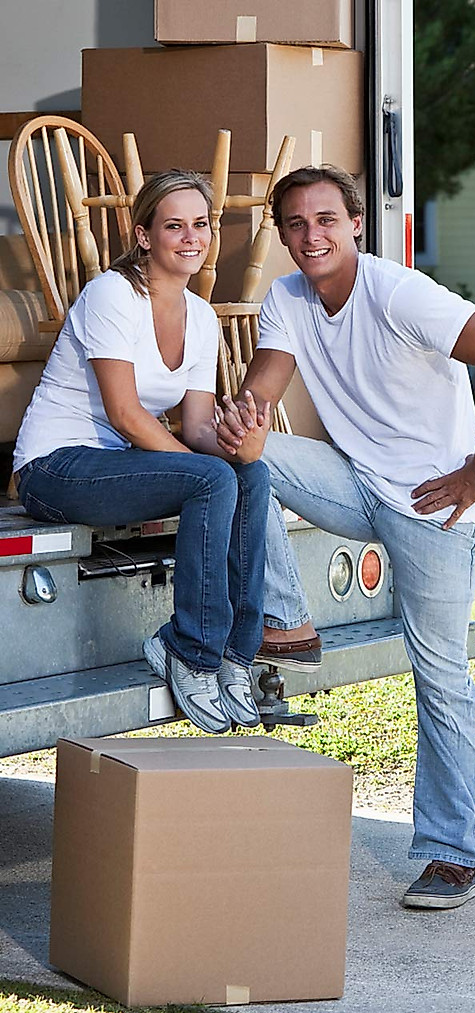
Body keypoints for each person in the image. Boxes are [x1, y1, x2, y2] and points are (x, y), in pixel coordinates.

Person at [215, 165, 475, 910]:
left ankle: (451, 856)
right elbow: (262, 392)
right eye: (295, 224)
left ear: (356, 223)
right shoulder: (289, 298)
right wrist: (240, 421)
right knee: (235, 462)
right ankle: (287, 622)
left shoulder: (398, 293)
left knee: (440, 673)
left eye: (325, 219)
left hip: (433, 505)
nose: (310, 235)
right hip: (358, 483)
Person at [12, 171, 271, 735]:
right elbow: (128, 415)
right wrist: (202, 468)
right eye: (173, 225)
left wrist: (235, 443)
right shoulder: (112, 292)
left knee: (251, 475)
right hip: (55, 468)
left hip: (117, 467)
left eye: (200, 225)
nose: (190, 237)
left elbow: (198, 426)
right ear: (144, 235)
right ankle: (190, 651)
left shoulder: (201, 318)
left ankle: (235, 654)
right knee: (213, 480)